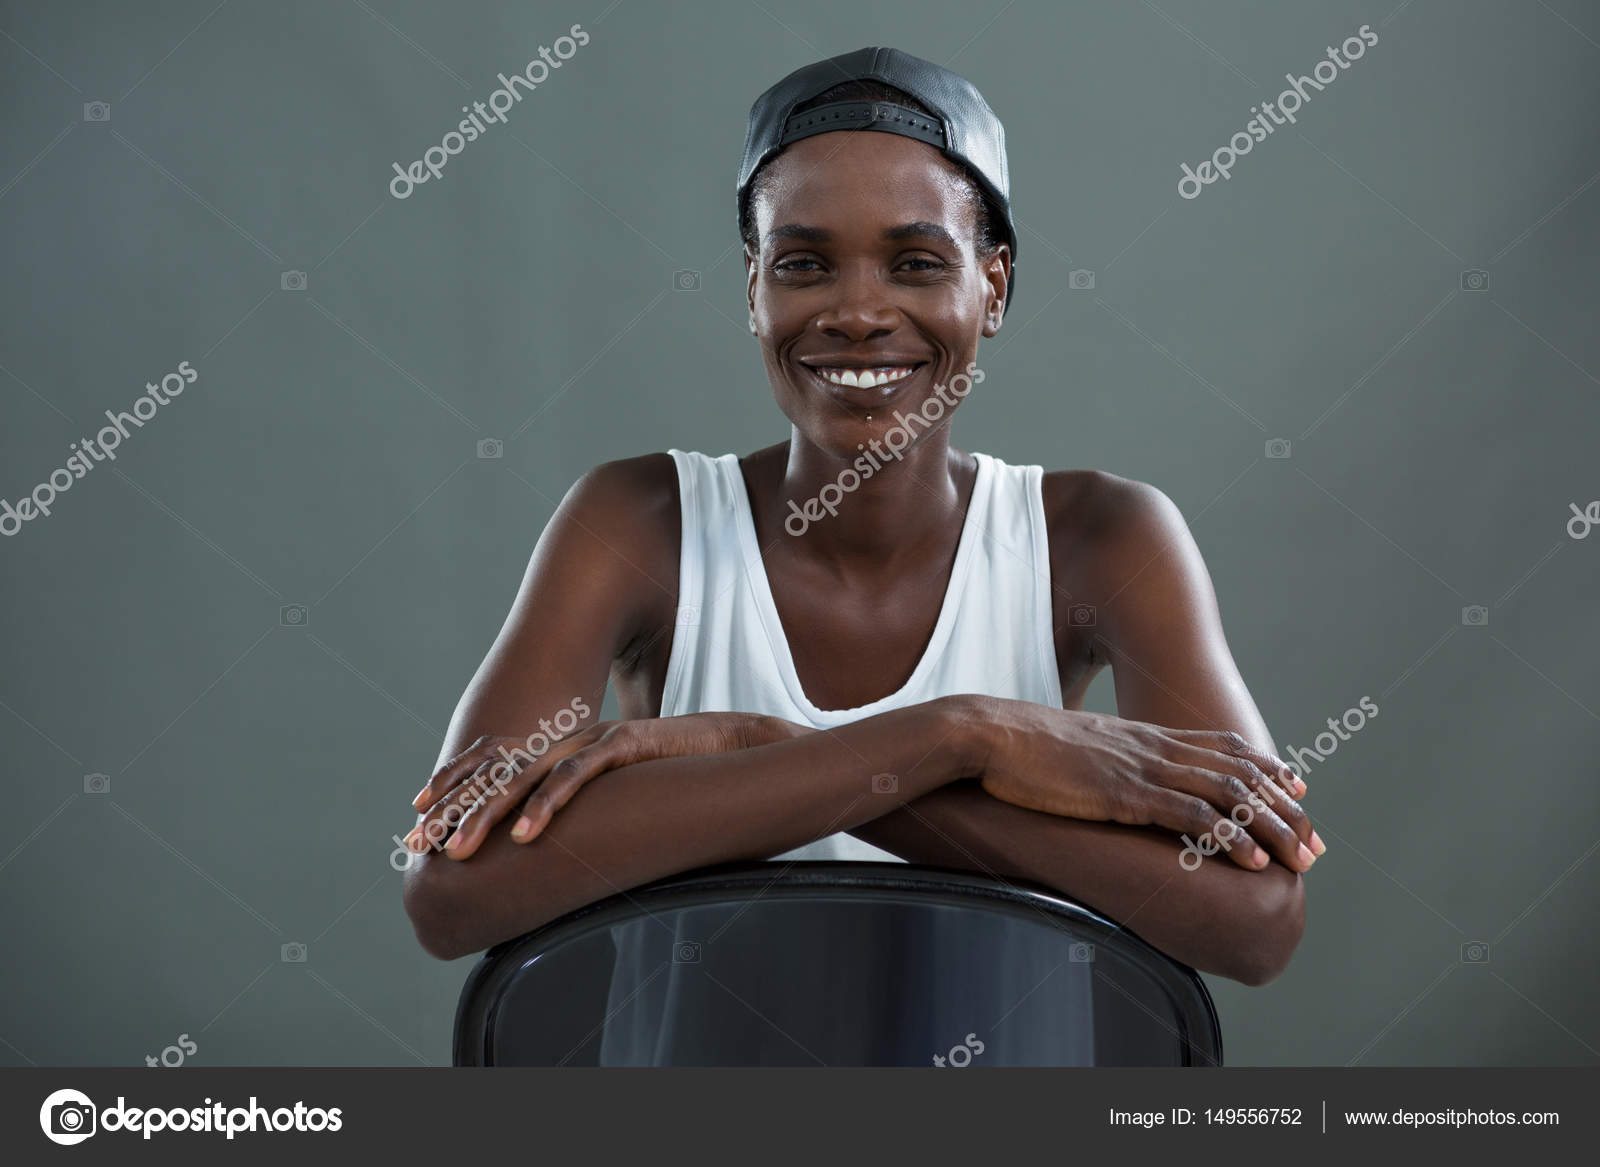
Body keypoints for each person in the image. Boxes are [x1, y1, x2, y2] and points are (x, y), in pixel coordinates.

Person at [401, 47, 1321, 988]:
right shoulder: (639, 523)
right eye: (804, 265)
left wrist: (768, 746)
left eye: (916, 263)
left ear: (993, 289)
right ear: (753, 289)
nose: (858, 311)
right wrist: (961, 737)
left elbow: (1254, 921)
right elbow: (453, 889)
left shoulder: (1102, 538)